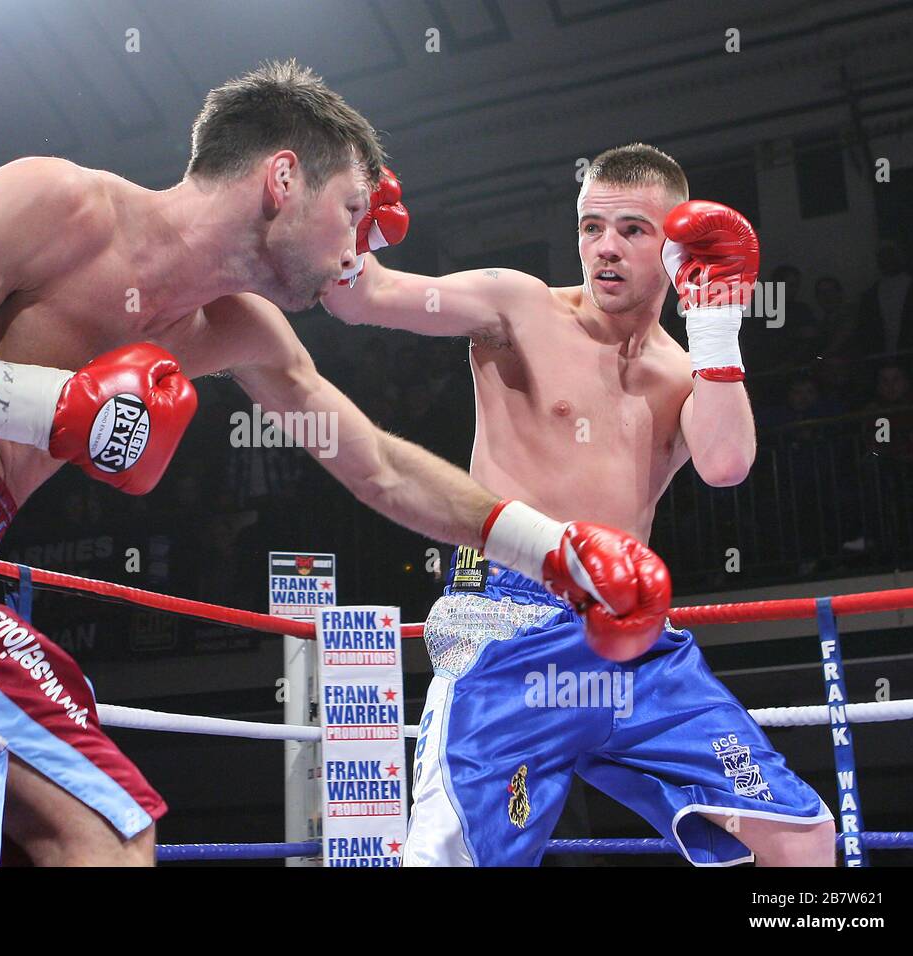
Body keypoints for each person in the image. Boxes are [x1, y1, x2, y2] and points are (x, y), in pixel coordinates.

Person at [0, 63, 669, 867]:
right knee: (101, 822)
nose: (362, 244)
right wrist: (44, 402)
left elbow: (380, 469)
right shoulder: (58, 205)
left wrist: (551, 544)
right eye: (351, 207)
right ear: (280, 178)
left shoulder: (242, 331)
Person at [324, 144, 836, 866]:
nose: (606, 247)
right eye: (591, 227)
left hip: (632, 646)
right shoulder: (517, 306)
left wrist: (717, 318)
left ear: (675, 246)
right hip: (510, 630)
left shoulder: (683, 371)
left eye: (632, 229)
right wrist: (352, 227)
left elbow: (726, 465)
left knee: (804, 837)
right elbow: (359, 297)